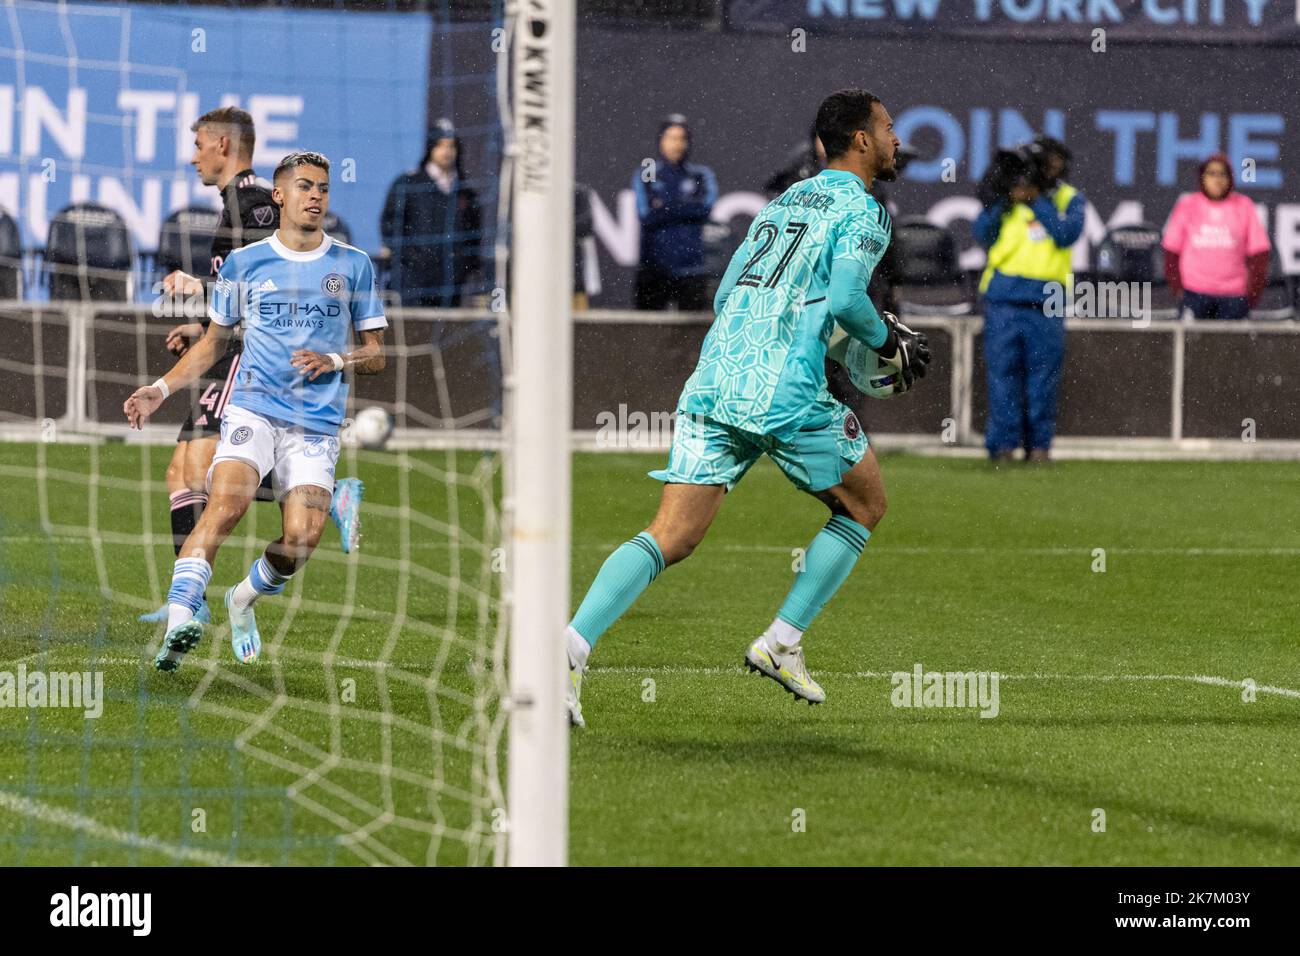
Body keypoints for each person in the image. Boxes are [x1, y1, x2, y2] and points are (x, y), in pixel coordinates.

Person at [564, 90, 930, 727]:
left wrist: (825, 337)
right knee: (866, 504)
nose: (898, 140)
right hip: (784, 388)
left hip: (716, 374)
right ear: (863, 141)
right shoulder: (866, 210)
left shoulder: (785, 200)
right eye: (890, 129)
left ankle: (568, 650)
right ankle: (782, 641)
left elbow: (732, 287)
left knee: (672, 536)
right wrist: (884, 339)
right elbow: (846, 298)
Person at [123, 152, 387, 672]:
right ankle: (180, 618)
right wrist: (159, 388)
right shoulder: (247, 264)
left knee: (301, 539)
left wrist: (335, 359)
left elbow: (376, 353)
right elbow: (215, 343)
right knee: (225, 506)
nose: (316, 196)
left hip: (316, 424)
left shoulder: (353, 265)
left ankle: (241, 598)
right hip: (253, 409)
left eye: (324, 188)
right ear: (280, 196)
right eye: (306, 186)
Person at [973, 135, 1085, 465]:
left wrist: (1037, 200)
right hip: (1004, 299)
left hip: (1046, 300)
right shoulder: (1006, 198)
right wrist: (1005, 200)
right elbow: (982, 233)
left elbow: (1067, 235)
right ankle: (1003, 447)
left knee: (1042, 379)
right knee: (1003, 377)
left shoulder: (1069, 198)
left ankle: (1039, 447)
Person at [380, 118, 481, 307]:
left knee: (447, 335)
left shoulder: (465, 193)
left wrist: (462, 267)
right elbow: (390, 226)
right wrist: (411, 260)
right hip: (412, 283)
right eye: (440, 145)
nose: (446, 152)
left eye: (451, 146)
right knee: (412, 333)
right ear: (430, 148)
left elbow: (474, 237)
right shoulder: (408, 184)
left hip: (451, 285)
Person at [1161, 153, 1271, 321]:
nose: (1217, 180)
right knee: (1193, 346)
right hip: (1193, 294)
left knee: (1230, 347)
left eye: (1222, 174)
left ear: (1230, 178)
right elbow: (1171, 253)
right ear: (1202, 178)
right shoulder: (1187, 205)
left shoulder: (1244, 206)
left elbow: (1260, 253)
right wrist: (1178, 291)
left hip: (1234, 297)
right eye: (1211, 174)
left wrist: (1252, 295)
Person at [632, 114, 718, 310]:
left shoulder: (700, 174)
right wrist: (685, 207)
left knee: (692, 335)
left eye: (681, 138)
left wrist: (664, 206)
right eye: (671, 137)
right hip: (653, 269)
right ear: (661, 140)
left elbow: (705, 209)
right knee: (645, 334)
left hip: (692, 269)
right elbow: (647, 215)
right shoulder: (649, 169)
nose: (676, 144)